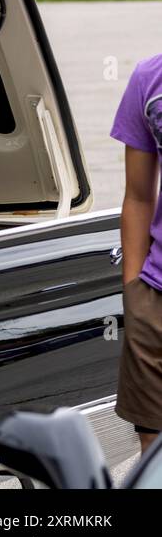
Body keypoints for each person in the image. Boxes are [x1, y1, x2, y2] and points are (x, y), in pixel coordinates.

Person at [111, 54, 162, 455]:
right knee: (153, 450)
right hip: (155, 298)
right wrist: (134, 288)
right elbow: (139, 195)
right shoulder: (149, 78)